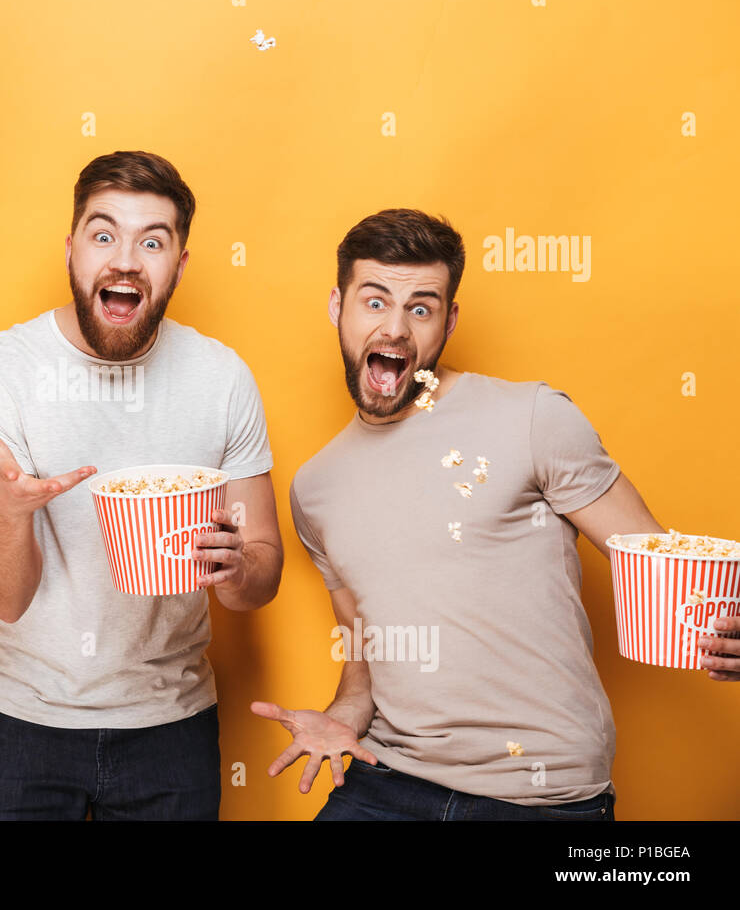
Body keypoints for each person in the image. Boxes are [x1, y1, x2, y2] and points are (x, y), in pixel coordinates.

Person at [252, 207, 708, 820]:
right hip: (390, 779)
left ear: (449, 319)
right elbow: (363, 660)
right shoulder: (316, 487)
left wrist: (719, 629)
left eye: (421, 307)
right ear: (338, 306)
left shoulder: (533, 418)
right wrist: (340, 720)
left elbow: (666, 572)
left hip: (538, 795)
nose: (394, 330)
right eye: (374, 301)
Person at [0, 150, 283, 820]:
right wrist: (12, 512)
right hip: (19, 723)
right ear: (72, 250)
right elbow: (4, 599)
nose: (125, 260)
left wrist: (235, 562)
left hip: (172, 726)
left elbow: (262, 578)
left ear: (180, 263)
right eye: (104, 236)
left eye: (151, 241)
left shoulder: (221, 379)